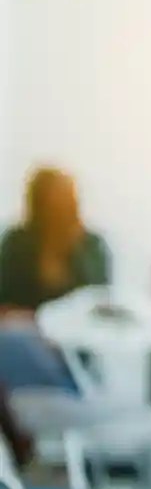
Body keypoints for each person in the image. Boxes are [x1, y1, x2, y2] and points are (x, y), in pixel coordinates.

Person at [0, 167, 110, 467]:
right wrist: (35, 326)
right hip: (21, 347)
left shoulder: (91, 247)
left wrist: (73, 249)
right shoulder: (17, 244)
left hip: (70, 354)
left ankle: (22, 451)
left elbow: (97, 306)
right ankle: (20, 450)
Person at [0, 167, 110, 319]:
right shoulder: (17, 243)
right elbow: (5, 300)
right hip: (24, 326)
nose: (61, 212)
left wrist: (76, 251)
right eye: (54, 204)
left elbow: (99, 298)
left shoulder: (92, 245)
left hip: (76, 327)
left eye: (68, 201)